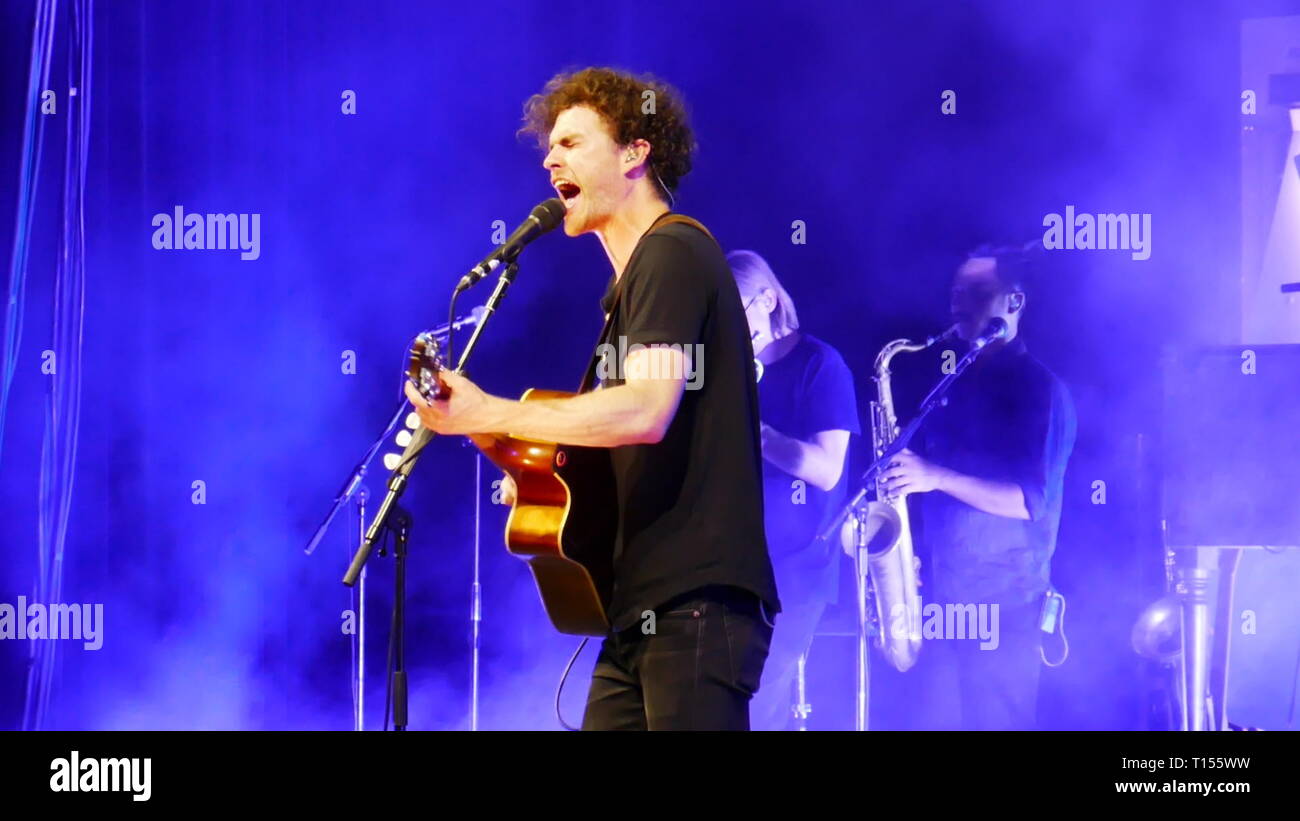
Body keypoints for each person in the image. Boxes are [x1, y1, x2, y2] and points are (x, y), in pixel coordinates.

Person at [404, 67, 778, 730]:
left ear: (635, 152)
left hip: (695, 603)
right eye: (551, 146)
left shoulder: (673, 252)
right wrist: (484, 434)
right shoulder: (630, 290)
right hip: (642, 612)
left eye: (573, 142)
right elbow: (601, 451)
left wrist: (489, 411)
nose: (550, 158)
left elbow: (645, 410)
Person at [880, 244, 1076, 730]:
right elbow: (939, 495)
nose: (958, 304)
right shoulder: (951, 384)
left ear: (1015, 302)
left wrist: (934, 476)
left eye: (977, 292)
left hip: (1006, 607)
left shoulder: (1040, 389)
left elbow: (1029, 502)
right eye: (955, 293)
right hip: (945, 597)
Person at [728, 250, 859, 730]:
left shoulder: (821, 365)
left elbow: (825, 469)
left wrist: (753, 431)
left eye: (733, 311)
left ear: (767, 299)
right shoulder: (730, 369)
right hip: (734, 564)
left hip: (798, 572)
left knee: (754, 703)